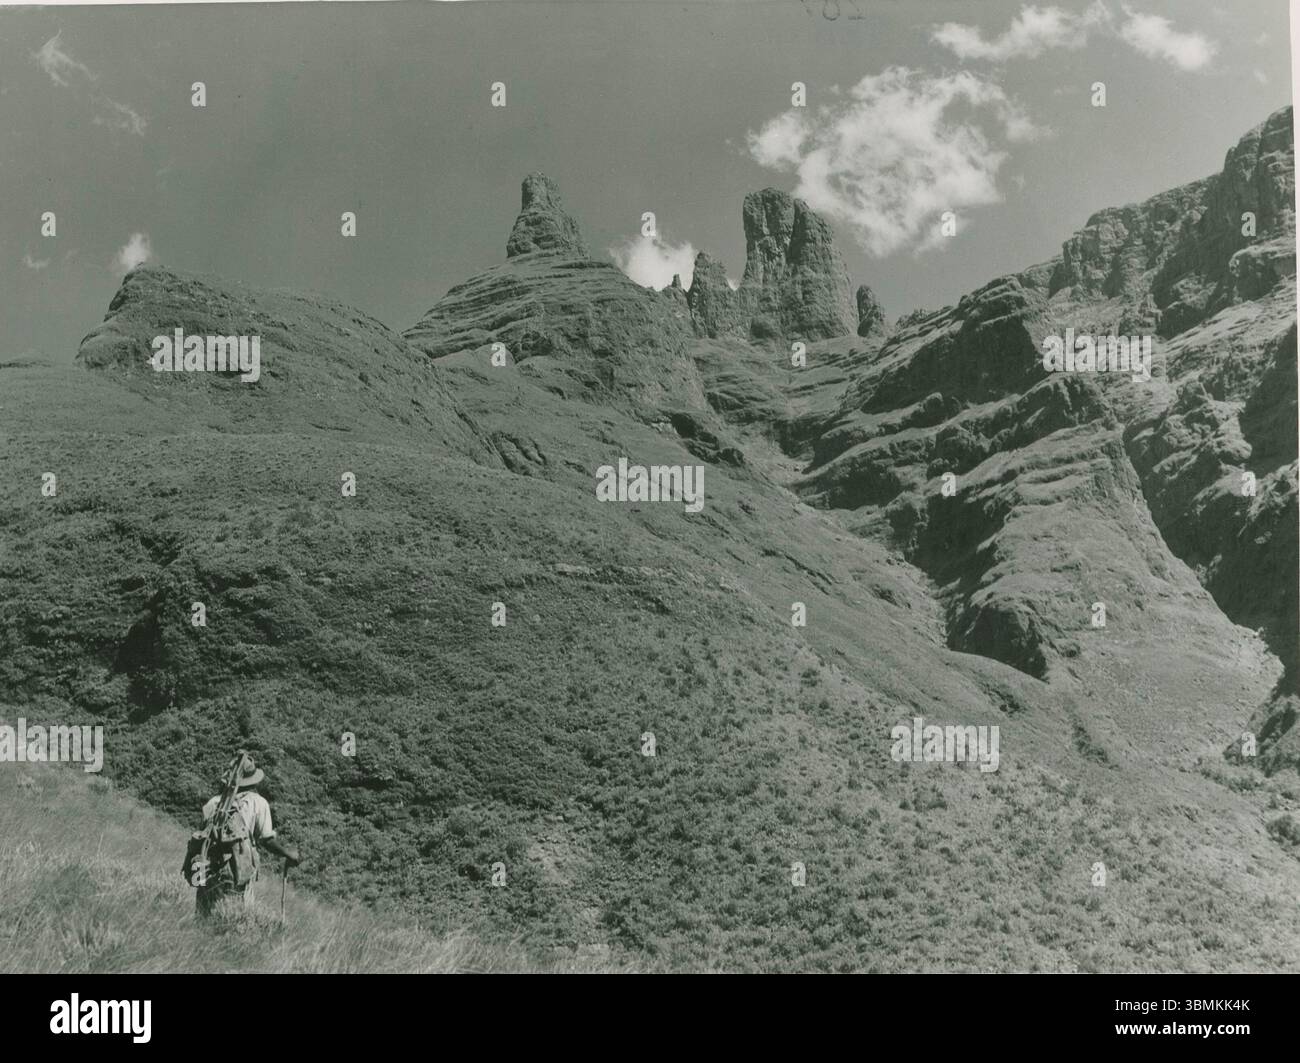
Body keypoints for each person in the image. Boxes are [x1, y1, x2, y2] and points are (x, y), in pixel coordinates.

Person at [194, 754, 301, 919]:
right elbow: (267, 840)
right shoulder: (258, 803)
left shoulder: (213, 803)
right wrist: (286, 853)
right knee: (236, 920)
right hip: (239, 871)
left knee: (204, 920)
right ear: (253, 780)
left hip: (208, 872)